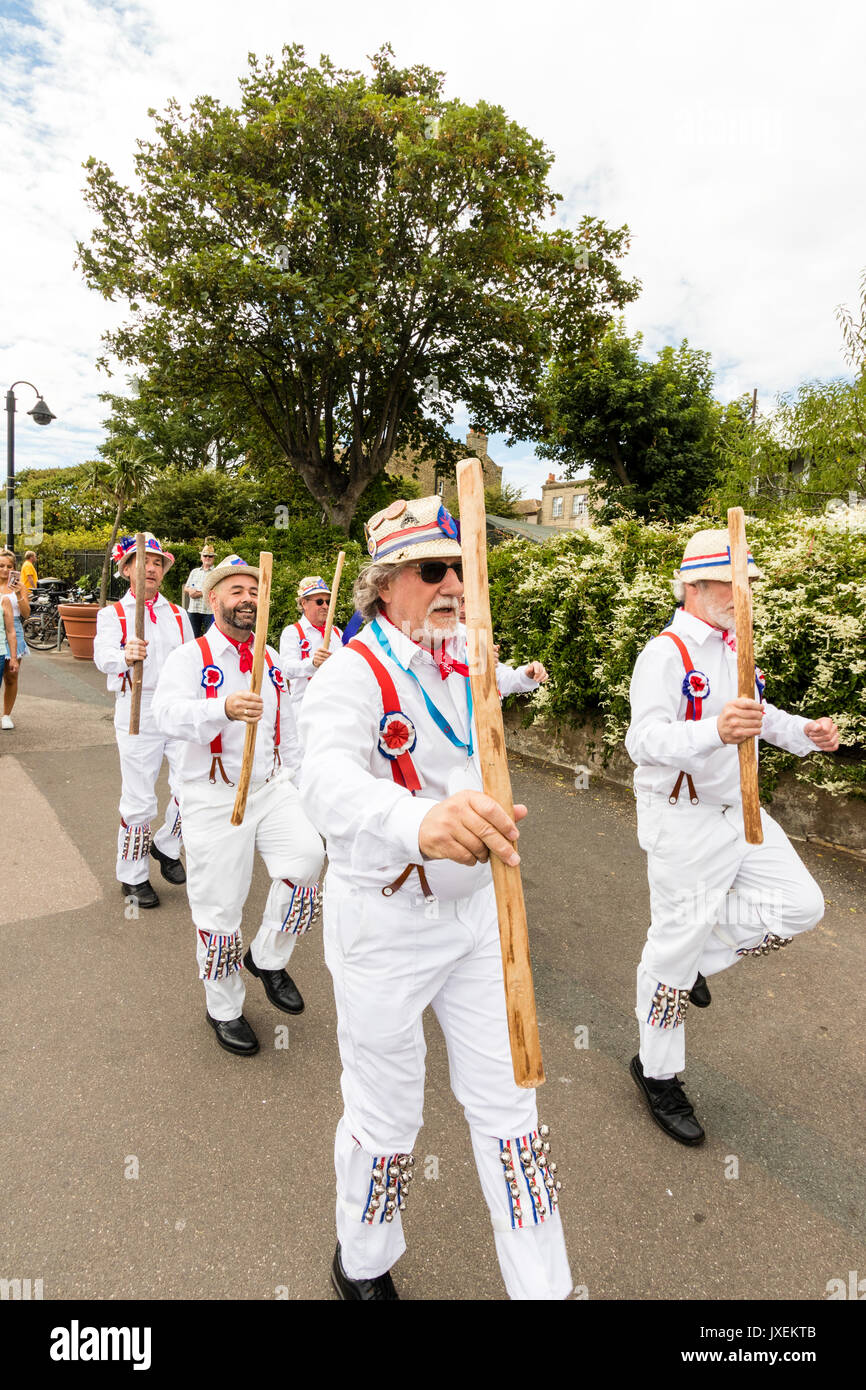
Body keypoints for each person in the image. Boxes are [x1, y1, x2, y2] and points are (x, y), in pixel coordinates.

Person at [299, 495, 571, 1301]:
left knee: (512, 1111)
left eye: (458, 565)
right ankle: (364, 1256)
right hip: (382, 924)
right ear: (385, 586)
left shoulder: (465, 657)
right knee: (388, 1120)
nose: (453, 581)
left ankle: (544, 1293)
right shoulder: (351, 671)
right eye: (432, 569)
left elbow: (474, 733)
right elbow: (322, 779)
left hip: (479, 918)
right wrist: (418, 820)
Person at [625, 527, 840, 1145]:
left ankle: (694, 960)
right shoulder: (664, 654)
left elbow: (760, 716)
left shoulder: (735, 643)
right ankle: (657, 1071)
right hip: (683, 819)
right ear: (694, 586)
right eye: (731, 584)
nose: (741, 596)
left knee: (802, 906)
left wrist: (808, 733)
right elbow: (644, 742)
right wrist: (712, 731)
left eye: (745, 585)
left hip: (741, 811)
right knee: (670, 950)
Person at [152, 555, 325, 1058]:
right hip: (211, 796)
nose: (248, 598)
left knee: (307, 859)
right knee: (219, 907)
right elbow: (165, 714)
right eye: (236, 591)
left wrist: (300, 780)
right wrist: (221, 707)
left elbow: (286, 728)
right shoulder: (191, 656)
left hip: (271, 787)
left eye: (255, 590)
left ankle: (267, 957)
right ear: (213, 600)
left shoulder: (269, 657)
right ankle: (224, 1007)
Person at [93, 533, 193, 908]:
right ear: (126, 568)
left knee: (194, 785)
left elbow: (190, 660)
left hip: (177, 705)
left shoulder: (180, 614)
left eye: (157, 562)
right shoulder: (112, 614)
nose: (151, 568)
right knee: (139, 797)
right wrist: (124, 654)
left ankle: (167, 844)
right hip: (137, 703)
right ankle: (132, 877)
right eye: (143, 561)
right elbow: (102, 656)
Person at [279, 576, 343, 738]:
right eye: (320, 601)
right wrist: (312, 663)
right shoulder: (292, 632)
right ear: (303, 603)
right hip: (305, 710)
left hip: (336, 707)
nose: (326, 606)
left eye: (328, 601)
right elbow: (286, 669)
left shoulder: (337, 633)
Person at [0, 549, 30, 731]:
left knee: (11, 676)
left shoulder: (19, 587)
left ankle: (6, 715)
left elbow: (26, 614)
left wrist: (19, 594)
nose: (4, 570)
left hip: (14, 631)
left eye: (9, 566)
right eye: (1, 566)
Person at [182, 544, 217, 638]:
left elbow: (217, 590)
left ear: (213, 558)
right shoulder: (195, 571)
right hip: (193, 609)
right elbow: (186, 587)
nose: (207, 558)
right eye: (205, 555)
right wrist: (190, 591)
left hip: (209, 611)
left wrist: (200, 594)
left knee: (210, 637)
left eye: (210, 556)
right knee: (192, 637)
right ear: (201, 557)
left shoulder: (216, 572)